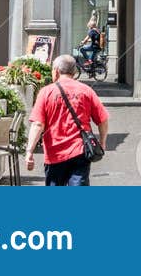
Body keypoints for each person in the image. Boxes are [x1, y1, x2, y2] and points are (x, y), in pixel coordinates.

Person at [25, 54, 108, 186]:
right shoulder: (86, 91)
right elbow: (102, 119)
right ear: (74, 72)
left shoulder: (46, 92)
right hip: (80, 151)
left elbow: (38, 124)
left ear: (56, 71)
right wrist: (102, 142)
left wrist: (29, 151)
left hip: (54, 154)